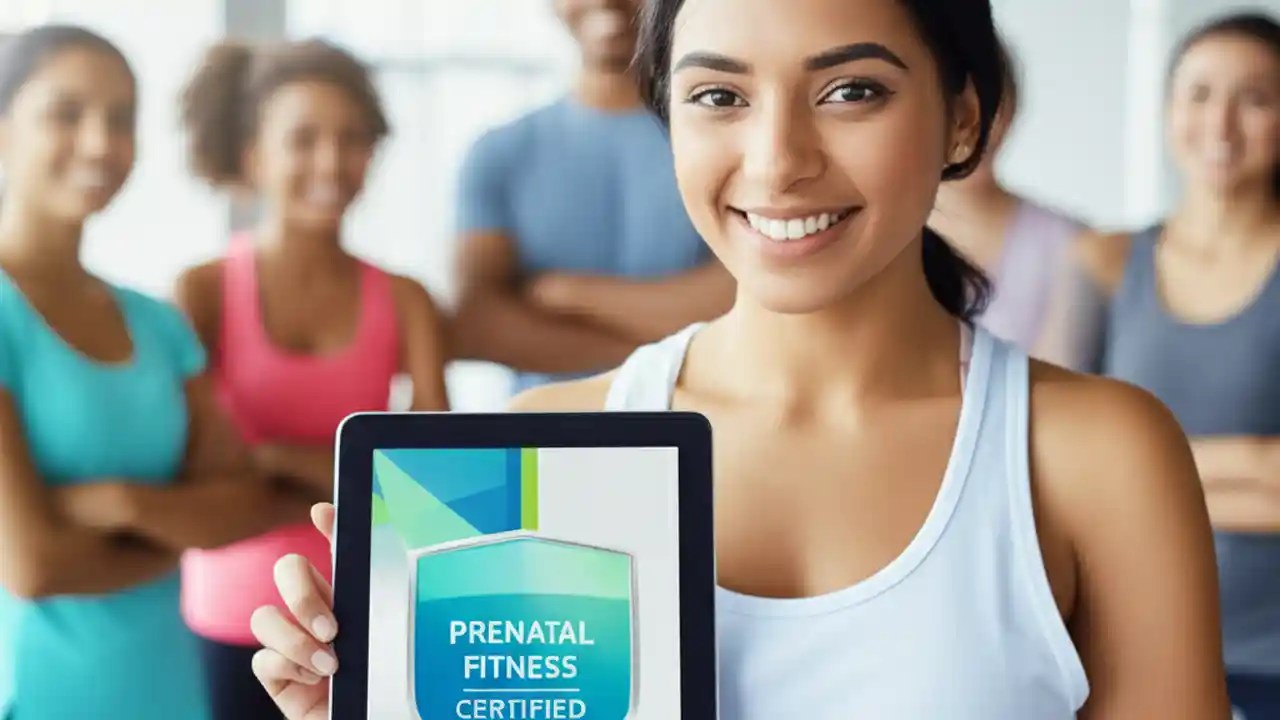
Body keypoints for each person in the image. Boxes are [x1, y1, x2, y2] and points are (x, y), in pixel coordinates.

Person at [249, 0, 1233, 717]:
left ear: (962, 119)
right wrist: (365, 705)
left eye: (851, 90)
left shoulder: (1092, 455)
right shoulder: (529, 462)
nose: (775, 161)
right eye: (718, 94)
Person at [0, 25, 306, 720]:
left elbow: (241, 502)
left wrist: (122, 504)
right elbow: (34, 565)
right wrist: (183, 528)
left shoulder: (158, 324)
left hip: (169, 688)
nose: (100, 142)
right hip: (41, 693)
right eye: (67, 113)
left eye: (121, 118)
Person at [173, 39, 451, 720]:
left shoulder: (407, 300)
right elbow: (200, 481)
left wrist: (273, 461)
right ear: (253, 156)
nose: (331, 161)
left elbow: (438, 483)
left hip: (356, 622)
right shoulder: (202, 293)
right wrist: (350, 472)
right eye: (303, 138)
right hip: (224, 622)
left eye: (352, 138)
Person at [1070, 13, 1280, 719]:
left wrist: (1134, 484)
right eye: (1198, 94)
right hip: (1120, 658)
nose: (1221, 123)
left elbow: (1098, 483)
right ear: (1167, 112)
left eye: (1255, 98)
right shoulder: (1101, 261)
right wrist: (1251, 462)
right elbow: (1049, 466)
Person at [451, 0, 734, 393]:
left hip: (693, 427)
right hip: (542, 440)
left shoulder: (722, 143)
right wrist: (655, 363)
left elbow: (740, 297)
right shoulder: (502, 153)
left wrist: (566, 294)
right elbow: (477, 324)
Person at [927, 38, 1095, 368]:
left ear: (1014, 108)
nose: (977, 128)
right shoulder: (885, 236)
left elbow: (1067, 380)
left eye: (993, 104)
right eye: (958, 107)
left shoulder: (1071, 242)